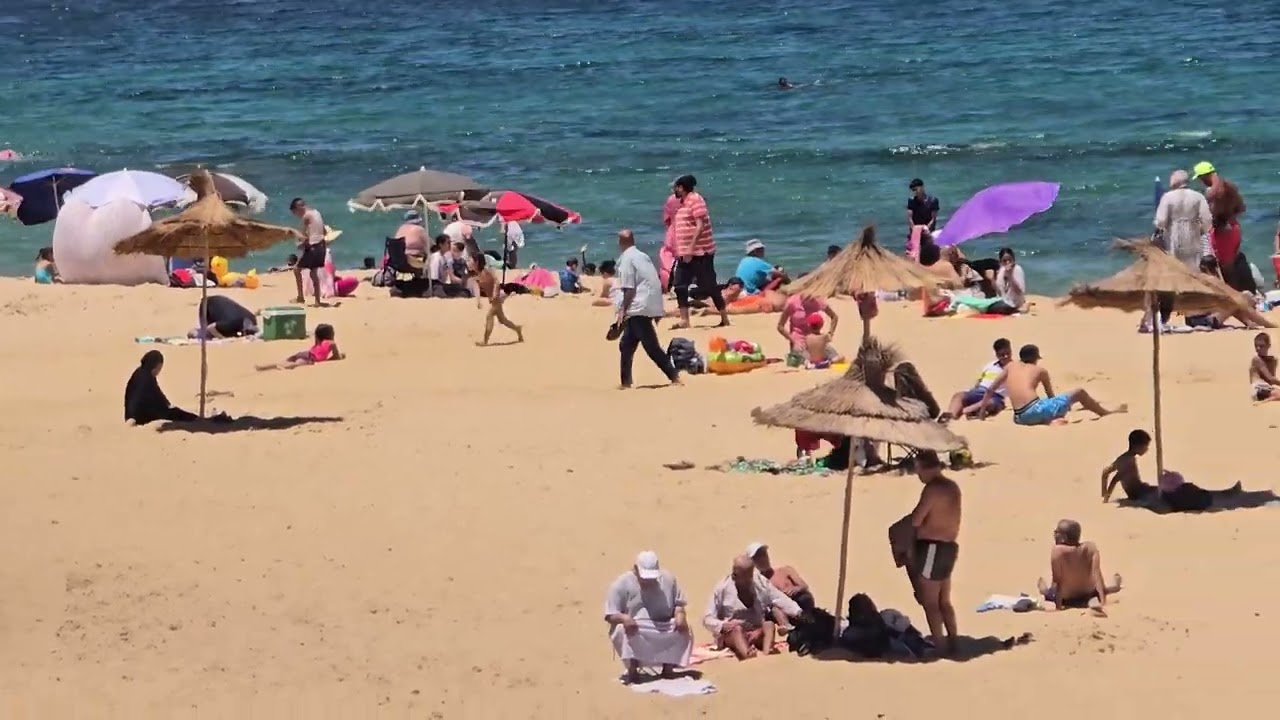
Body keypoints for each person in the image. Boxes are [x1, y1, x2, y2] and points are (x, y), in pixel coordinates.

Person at [978, 344, 1126, 425]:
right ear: (1036, 358)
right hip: (1034, 411)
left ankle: (1052, 421)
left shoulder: (1010, 366)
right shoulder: (1040, 370)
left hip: (1018, 417)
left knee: (1046, 407)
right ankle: (1105, 413)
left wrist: (981, 414)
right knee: (1079, 392)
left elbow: (990, 389)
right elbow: (1051, 397)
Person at [603, 551, 693, 684]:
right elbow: (610, 615)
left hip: (662, 626)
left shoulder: (669, 579)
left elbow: (678, 603)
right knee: (621, 629)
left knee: (685, 630)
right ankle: (633, 669)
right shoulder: (620, 584)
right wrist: (625, 618)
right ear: (635, 569)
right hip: (636, 627)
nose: (648, 579)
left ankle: (668, 668)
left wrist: (680, 615)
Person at [907, 450, 960, 656]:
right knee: (944, 600)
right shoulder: (952, 487)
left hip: (933, 548)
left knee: (930, 602)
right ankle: (953, 642)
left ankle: (940, 647)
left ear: (924, 468)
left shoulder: (933, 489)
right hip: (949, 548)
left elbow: (917, 519)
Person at [614, 229, 679, 389]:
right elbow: (653, 281)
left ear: (620, 243)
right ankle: (625, 382)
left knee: (651, 347)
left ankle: (674, 376)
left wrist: (622, 310)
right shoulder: (642, 256)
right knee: (626, 345)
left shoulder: (626, 259)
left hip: (638, 307)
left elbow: (629, 289)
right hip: (649, 304)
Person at [703, 555, 800, 660]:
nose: (749, 580)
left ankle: (768, 652)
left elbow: (779, 598)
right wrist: (723, 625)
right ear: (735, 575)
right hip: (733, 634)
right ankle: (747, 654)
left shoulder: (759, 581)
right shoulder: (721, 589)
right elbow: (707, 619)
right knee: (737, 630)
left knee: (769, 624)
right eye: (745, 577)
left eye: (750, 576)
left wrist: (799, 612)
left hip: (756, 632)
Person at [670, 175, 729, 328]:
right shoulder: (684, 203)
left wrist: (691, 247)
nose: (674, 190)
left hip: (700, 252)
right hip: (685, 253)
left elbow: (700, 225)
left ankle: (724, 317)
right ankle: (685, 320)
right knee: (679, 285)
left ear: (681, 187)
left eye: (675, 187)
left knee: (709, 285)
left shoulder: (696, 200)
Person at [1036, 520, 1122, 614]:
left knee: (1046, 591)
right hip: (1088, 594)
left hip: (1066, 598)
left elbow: (1058, 581)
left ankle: (1043, 588)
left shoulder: (1058, 551)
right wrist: (1103, 600)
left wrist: (1058, 607)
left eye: (1056, 532)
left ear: (1063, 537)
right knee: (1107, 588)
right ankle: (1115, 586)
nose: (1054, 534)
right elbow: (1097, 575)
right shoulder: (1090, 548)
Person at [1194, 161, 1253, 294]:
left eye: (1200, 178)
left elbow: (1211, 215)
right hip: (1234, 228)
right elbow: (1241, 208)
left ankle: (1232, 300)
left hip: (1222, 232)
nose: (1200, 181)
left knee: (1224, 268)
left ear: (1205, 176)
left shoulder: (1212, 192)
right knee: (1231, 263)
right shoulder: (1230, 186)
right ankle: (1237, 295)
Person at [125, 350, 221, 425]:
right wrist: (168, 406)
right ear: (155, 366)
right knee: (177, 413)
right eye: (159, 368)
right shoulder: (147, 378)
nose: (159, 371)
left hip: (132, 413)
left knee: (176, 412)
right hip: (142, 416)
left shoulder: (139, 373)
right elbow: (158, 398)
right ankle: (199, 419)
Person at [941, 337, 1013, 421]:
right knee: (959, 395)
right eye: (1002, 355)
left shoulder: (1014, 368)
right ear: (997, 354)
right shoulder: (990, 365)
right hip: (980, 391)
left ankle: (966, 411)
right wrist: (973, 391)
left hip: (996, 396)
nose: (1006, 357)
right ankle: (951, 417)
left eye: (1008, 353)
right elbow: (979, 380)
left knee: (991, 402)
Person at [746, 542, 814, 613]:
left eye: (764, 555)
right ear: (753, 562)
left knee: (804, 598)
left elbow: (804, 585)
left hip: (799, 600)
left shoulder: (785, 570)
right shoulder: (759, 583)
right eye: (758, 558)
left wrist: (795, 589)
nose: (763, 559)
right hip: (781, 610)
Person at [472, 253, 523, 346]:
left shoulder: (486, 271)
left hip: (496, 298)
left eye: (471, 260)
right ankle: (517, 329)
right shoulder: (477, 274)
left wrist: (495, 293)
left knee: (489, 317)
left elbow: (496, 281)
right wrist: (478, 300)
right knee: (503, 320)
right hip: (493, 299)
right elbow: (477, 288)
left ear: (477, 262)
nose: (469, 262)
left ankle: (485, 341)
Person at [256, 323, 343, 371]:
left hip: (305, 353)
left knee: (282, 362)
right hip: (311, 358)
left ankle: (264, 367)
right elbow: (336, 356)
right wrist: (339, 357)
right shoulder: (331, 343)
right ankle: (283, 367)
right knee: (295, 364)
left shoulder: (318, 341)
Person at [289, 197, 327, 307]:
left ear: (298, 208)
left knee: (296, 270)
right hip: (322, 245)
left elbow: (304, 236)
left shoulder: (306, 216)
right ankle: (317, 301)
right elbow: (323, 231)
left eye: (295, 213)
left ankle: (301, 297)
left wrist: (300, 245)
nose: (297, 216)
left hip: (314, 246)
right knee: (313, 272)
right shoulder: (316, 212)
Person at [191, 295, 258, 339]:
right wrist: (222, 338)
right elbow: (211, 327)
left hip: (220, 301)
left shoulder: (252, 318)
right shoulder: (230, 323)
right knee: (205, 334)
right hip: (207, 305)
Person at [987, 247, 1025, 314]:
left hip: (1014, 303)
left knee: (990, 308)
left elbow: (1019, 291)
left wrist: (1010, 276)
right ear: (1000, 261)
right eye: (1004, 261)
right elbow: (999, 291)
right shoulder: (1001, 270)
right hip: (1004, 301)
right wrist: (992, 279)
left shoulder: (1017, 269)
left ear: (1013, 259)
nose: (1007, 262)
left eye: (1010, 260)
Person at [1251, 332, 1280, 401]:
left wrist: (1272, 363)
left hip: (1267, 388)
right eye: (1256, 346)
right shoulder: (1256, 359)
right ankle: (1269, 399)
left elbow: (1270, 381)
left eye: (1261, 346)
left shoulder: (1272, 360)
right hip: (1258, 389)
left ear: (1268, 346)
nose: (1257, 348)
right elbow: (1270, 379)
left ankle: (1270, 398)